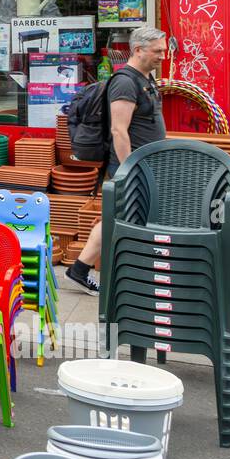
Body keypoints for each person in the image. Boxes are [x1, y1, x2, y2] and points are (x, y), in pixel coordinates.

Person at [65, 26, 169, 294]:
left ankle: (81, 270)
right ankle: (86, 270)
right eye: (158, 50)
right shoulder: (125, 81)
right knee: (123, 218)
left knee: (116, 217)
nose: (163, 55)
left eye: (164, 49)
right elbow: (118, 130)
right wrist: (129, 170)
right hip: (130, 167)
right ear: (138, 50)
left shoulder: (145, 78)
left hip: (144, 166)